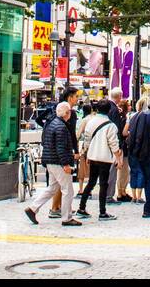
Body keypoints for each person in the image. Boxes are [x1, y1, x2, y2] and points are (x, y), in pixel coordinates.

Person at [25, 101, 81, 227]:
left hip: (50, 161)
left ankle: (33, 208)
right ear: (67, 113)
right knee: (68, 190)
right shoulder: (61, 127)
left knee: (52, 188)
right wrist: (66, 164)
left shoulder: (52, 123)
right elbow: (61, 147)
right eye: (70, 112)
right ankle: (67, 218)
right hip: (58, 163)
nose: (71, 114)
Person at [77, 100, 121, 220]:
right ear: (109, 110)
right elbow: (114, 143)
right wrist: (118, 158)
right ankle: (102, 212)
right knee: (103, 184)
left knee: (91, 182)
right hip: (105, 158)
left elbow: (86, 140)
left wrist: (85, 153)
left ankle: (81, 207)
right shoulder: (111, 125)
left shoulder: (90, 122)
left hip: (92, 156)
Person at [49, 86, 79, 219]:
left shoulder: (55, 110)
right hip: (61, 154)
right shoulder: (68, 113)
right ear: (70, 97)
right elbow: (71, 134)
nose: (77, 99)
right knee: (65, 186)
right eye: (76, 96)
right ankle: (59, 210)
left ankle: (54, 208)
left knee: (54, 185)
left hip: (51, 152)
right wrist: (75, 151)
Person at [109, 88, 131, 201]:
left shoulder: (111, 109)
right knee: (118, 169)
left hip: (113, 144)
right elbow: (118, 130)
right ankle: (113, 194)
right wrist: (119, 146)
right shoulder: (115, 111)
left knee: (118, 170)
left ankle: (117, 193)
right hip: (117, 145)